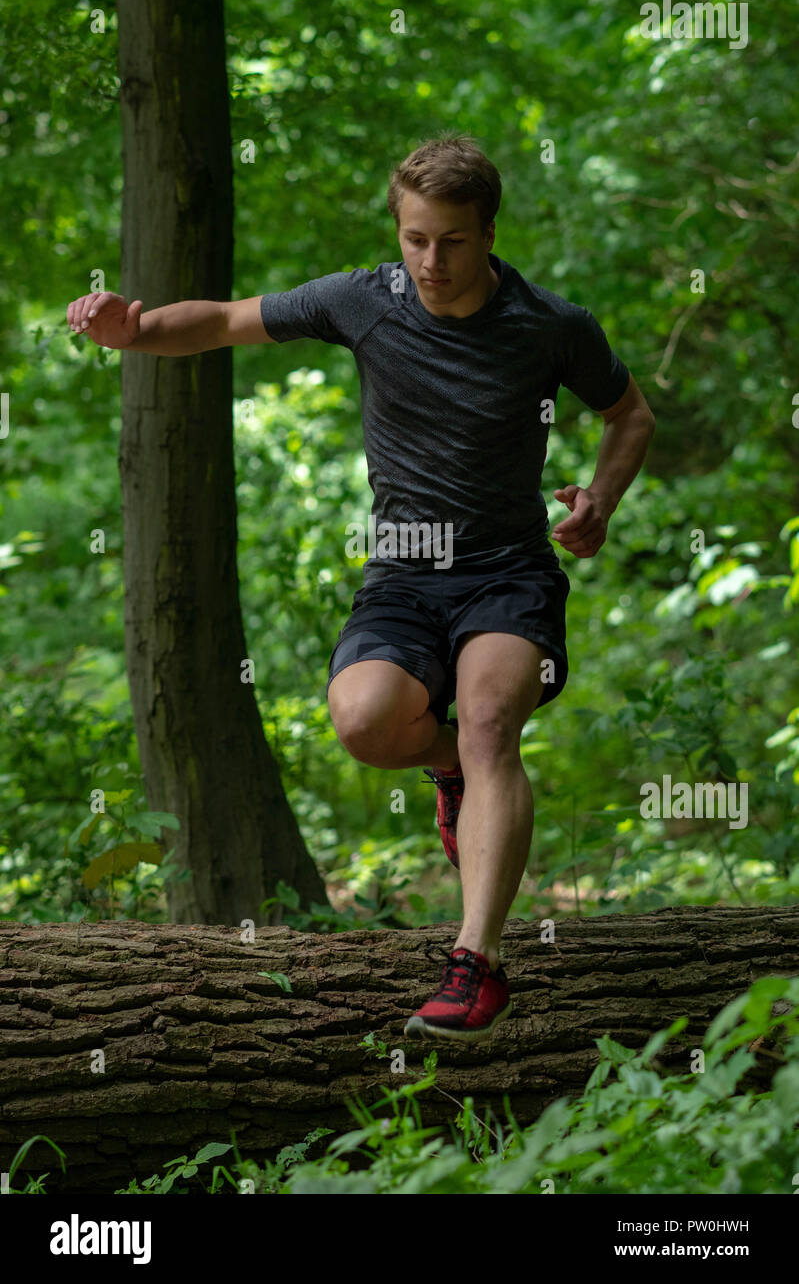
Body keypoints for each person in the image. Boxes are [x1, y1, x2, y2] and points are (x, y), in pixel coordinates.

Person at [66, 133, 656, 1044]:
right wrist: (135, 332)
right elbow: (224, 319)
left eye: (451, 242)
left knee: (491, 716)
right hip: (402, 574)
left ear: (487, 233)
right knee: (364, 720)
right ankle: (448, 770)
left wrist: (599, 503)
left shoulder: (550, 326)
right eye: (415, 239)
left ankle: (475, 964)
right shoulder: (363, 300)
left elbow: (629, 415)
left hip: (507, 571)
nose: (430, 262)